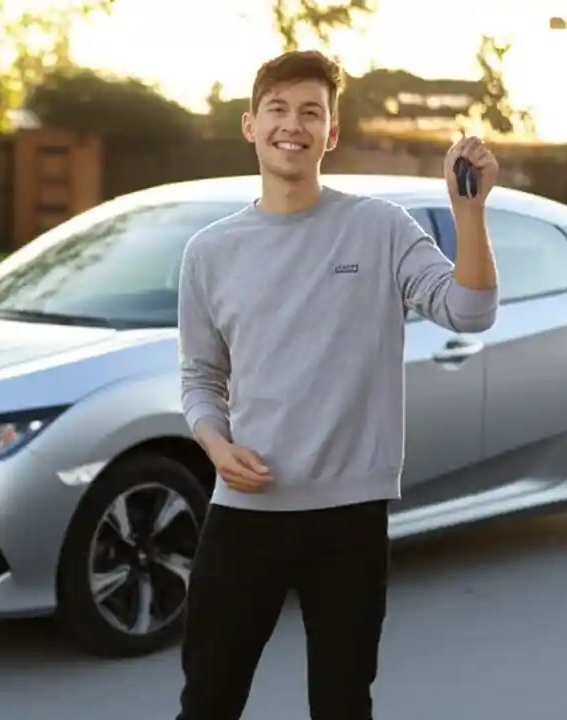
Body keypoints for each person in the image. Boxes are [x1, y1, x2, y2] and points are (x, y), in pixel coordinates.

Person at [173, 50, 500, 720]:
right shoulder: (209, 252)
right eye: (278, 109)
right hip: (245, 514)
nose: (293, 125)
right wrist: (215, 445)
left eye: (311, 112)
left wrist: (468, 210)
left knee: (343, 706)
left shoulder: (380, 228)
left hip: (349, 518)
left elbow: (470, 312)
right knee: (208, 703)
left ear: (331, 133)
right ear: (250, 125)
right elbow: (201, 377)